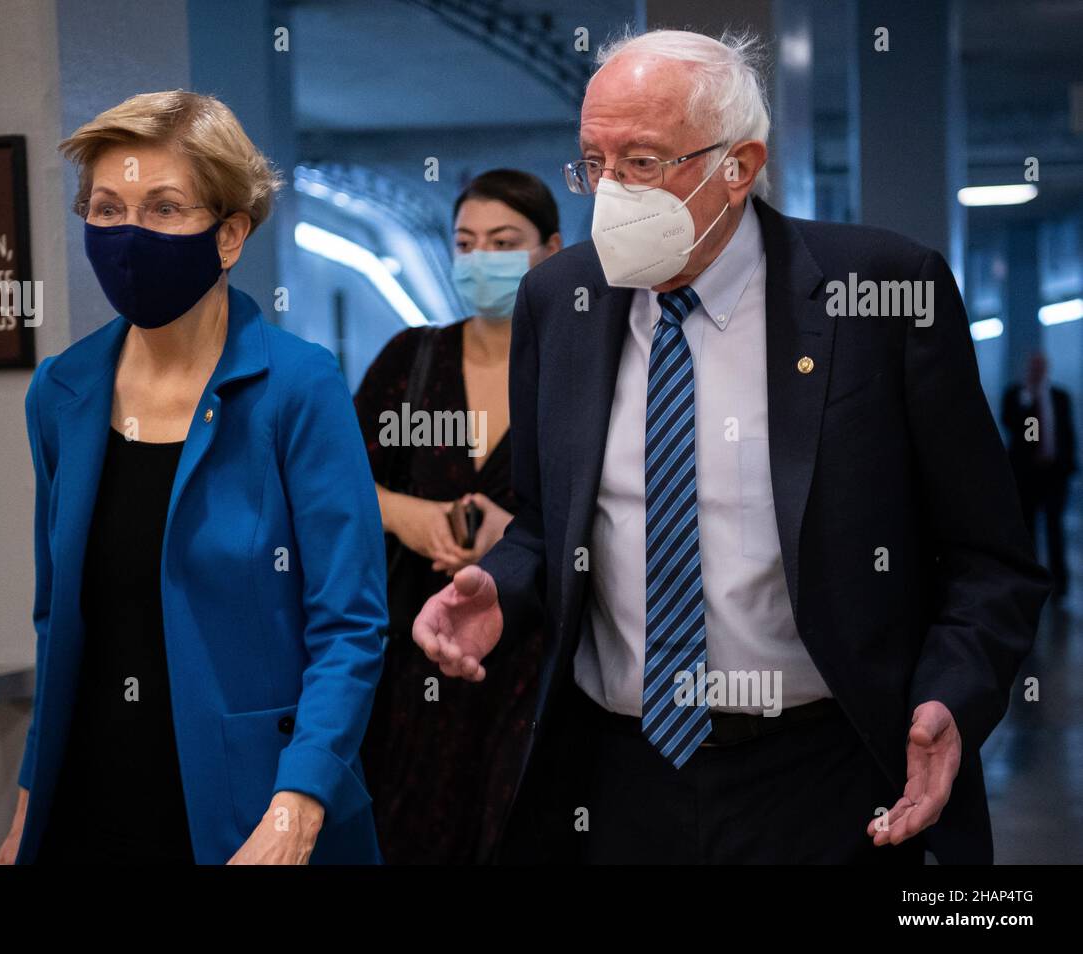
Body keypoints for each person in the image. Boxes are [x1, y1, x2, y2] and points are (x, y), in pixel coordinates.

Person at [412, 29, 1051, 864]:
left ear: (737, 167)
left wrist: (952, 699)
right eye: (593, 163)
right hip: (618, 775)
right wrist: (503, 586)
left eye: (641, 163)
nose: (609, 193)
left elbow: (990, 558)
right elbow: (544, 522)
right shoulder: (557, 301)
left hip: (826, 774)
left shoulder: (881, 295)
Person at [0, 90, 387, 865]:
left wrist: (298, 808)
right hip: (89, 808)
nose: (128, 236)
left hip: (248, 809)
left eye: (164, 209)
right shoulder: (62, 392)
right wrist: (25, 812)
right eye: (107, 209)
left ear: (230, 233)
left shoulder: (298, 387)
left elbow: (348, 626)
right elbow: (58, 624)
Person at [353, 170, 561, 863]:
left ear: (552, 252)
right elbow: (336, 483)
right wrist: (411, 516)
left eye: (505, 242)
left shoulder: (575, 371)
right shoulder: (412, 361)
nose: (482, 260)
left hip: (536, 662)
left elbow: (619, 511)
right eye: (466, 243)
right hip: (419, 655)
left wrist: (518, 542)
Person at [1002, 352, 1077, 597]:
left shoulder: (1060, 396)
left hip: (1054, 474)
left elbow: (1067, 432)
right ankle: (1031, 581)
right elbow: (1012, 426)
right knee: (1029, 529)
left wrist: (1069, 465)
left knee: (1056, 528)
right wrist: (1028, 400)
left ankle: (1060, 585)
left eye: (1040, 367)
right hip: (1027, 476)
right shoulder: (1016, 395)